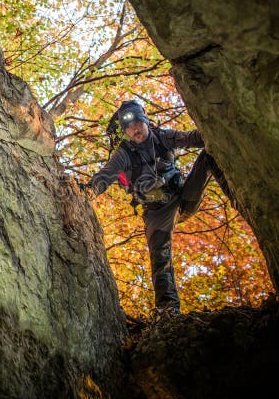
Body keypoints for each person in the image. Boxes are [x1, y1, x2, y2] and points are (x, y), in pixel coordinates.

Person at [84, 100, 216, 319]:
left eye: (137, 123)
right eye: (128, 127)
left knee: (210, 155)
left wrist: (217, 129)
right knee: (160, 258)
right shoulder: (124, 154)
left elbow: (192, 138)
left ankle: (239, 198)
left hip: (183, 198)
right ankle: (167, 311)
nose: (135, 129)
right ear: (125, 131)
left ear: (145, 120)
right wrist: (87, 192)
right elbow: (104, 176)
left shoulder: (163, 137)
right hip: (157, 213)